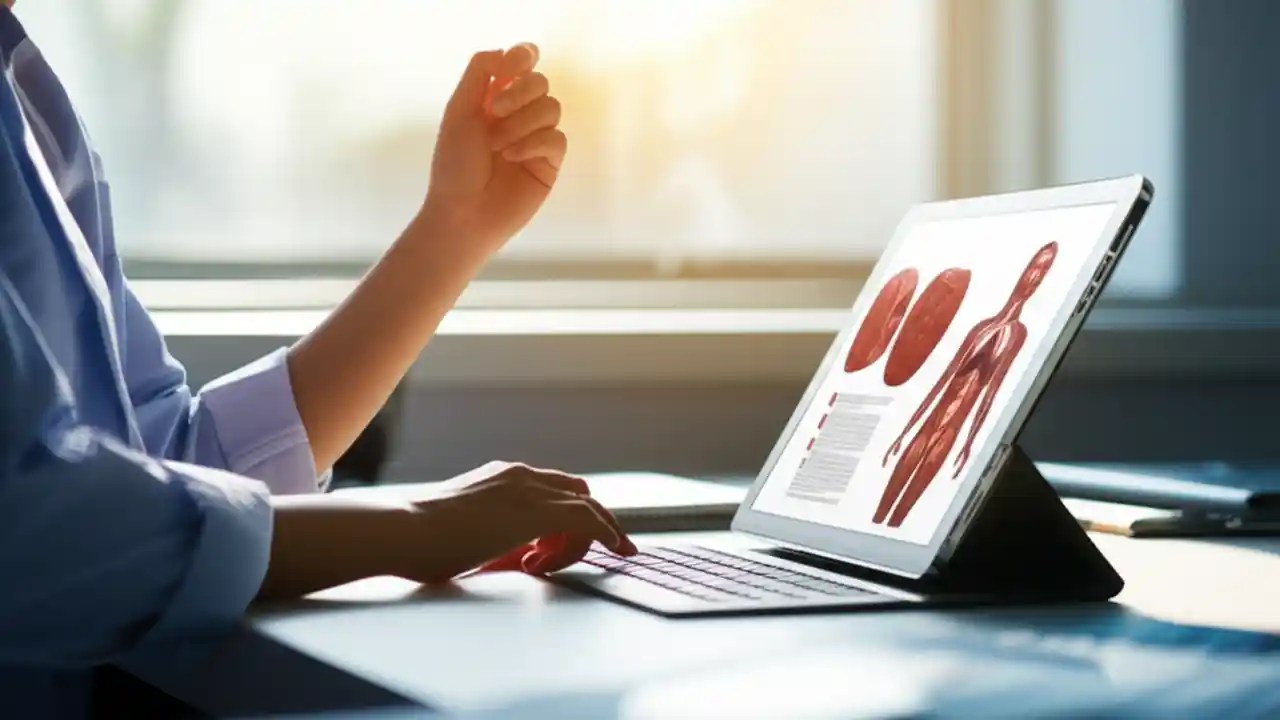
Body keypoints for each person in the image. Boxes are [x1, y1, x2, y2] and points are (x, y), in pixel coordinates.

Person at [0, 1, 636, 712]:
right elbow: (39, 531)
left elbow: (169, 471)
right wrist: (415, 528)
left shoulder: (26, 99)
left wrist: (456, 227)